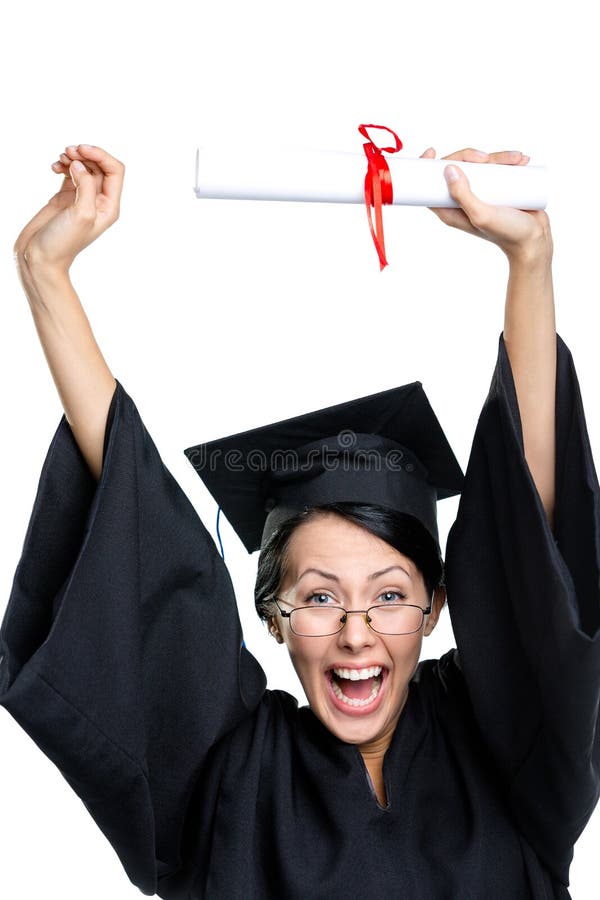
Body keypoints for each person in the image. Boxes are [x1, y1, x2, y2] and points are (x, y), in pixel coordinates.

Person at [0, 143, 598, 899]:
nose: (356, 633)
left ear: (436, 606)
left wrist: (530, 260)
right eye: (317, 597)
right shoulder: (230, 778)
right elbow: (144, 549)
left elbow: (536, 558)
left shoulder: (500, 750)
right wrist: (44, 273)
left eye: (389, 595)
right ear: (273, 618)